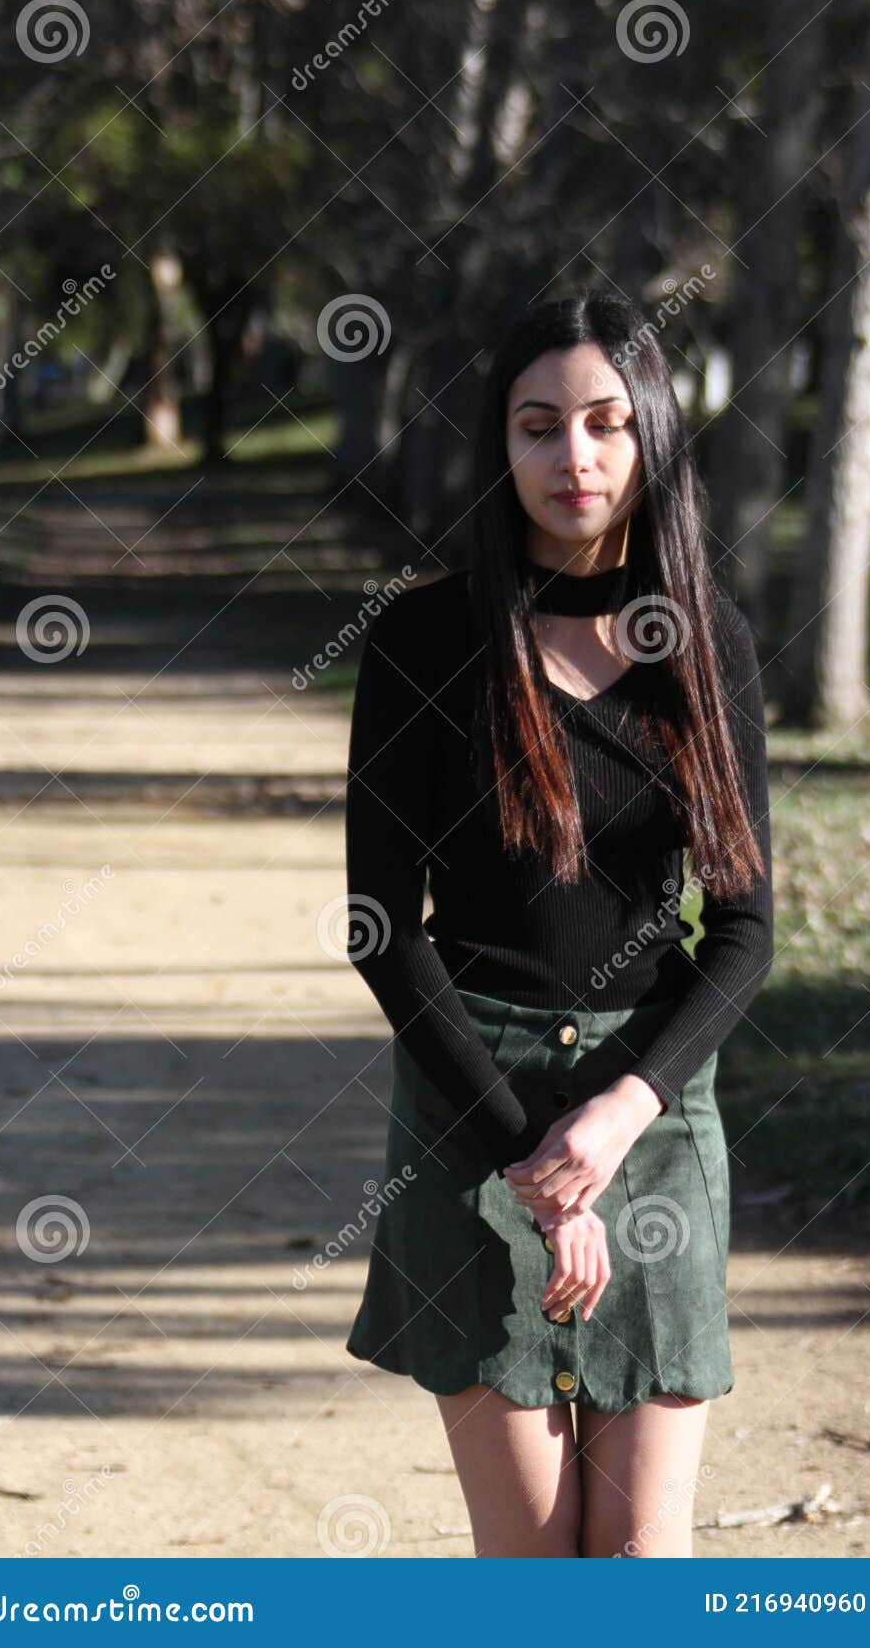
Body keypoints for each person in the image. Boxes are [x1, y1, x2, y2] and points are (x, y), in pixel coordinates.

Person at [343, 287, 773, 1557]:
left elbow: (742, 928)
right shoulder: (424, 640)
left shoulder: (702, 642)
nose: (571, 457)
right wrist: (535, 1159)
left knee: (639, 1560)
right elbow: (385, 925)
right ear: (500, 445)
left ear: (650, 437)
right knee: (530, 1566)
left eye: (602, 422)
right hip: (471, 1100)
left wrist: (615, 1112)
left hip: (648, 1104)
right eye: (537, 426)